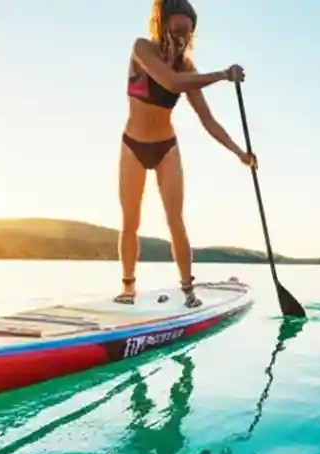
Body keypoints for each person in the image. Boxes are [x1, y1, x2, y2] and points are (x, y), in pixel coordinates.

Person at [116, 0, 256, 308]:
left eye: (187, 33)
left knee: (175, 220)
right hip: (133, 145)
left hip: (166, 147)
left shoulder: (188, 68)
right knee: (130, 221)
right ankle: (128, 290)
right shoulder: (143, 49)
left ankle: (188, 290)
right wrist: (221, 75)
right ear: (162, 24)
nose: (181, 38)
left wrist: (239, 153)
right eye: (177, 29)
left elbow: (207, 119)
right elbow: (171, 82)